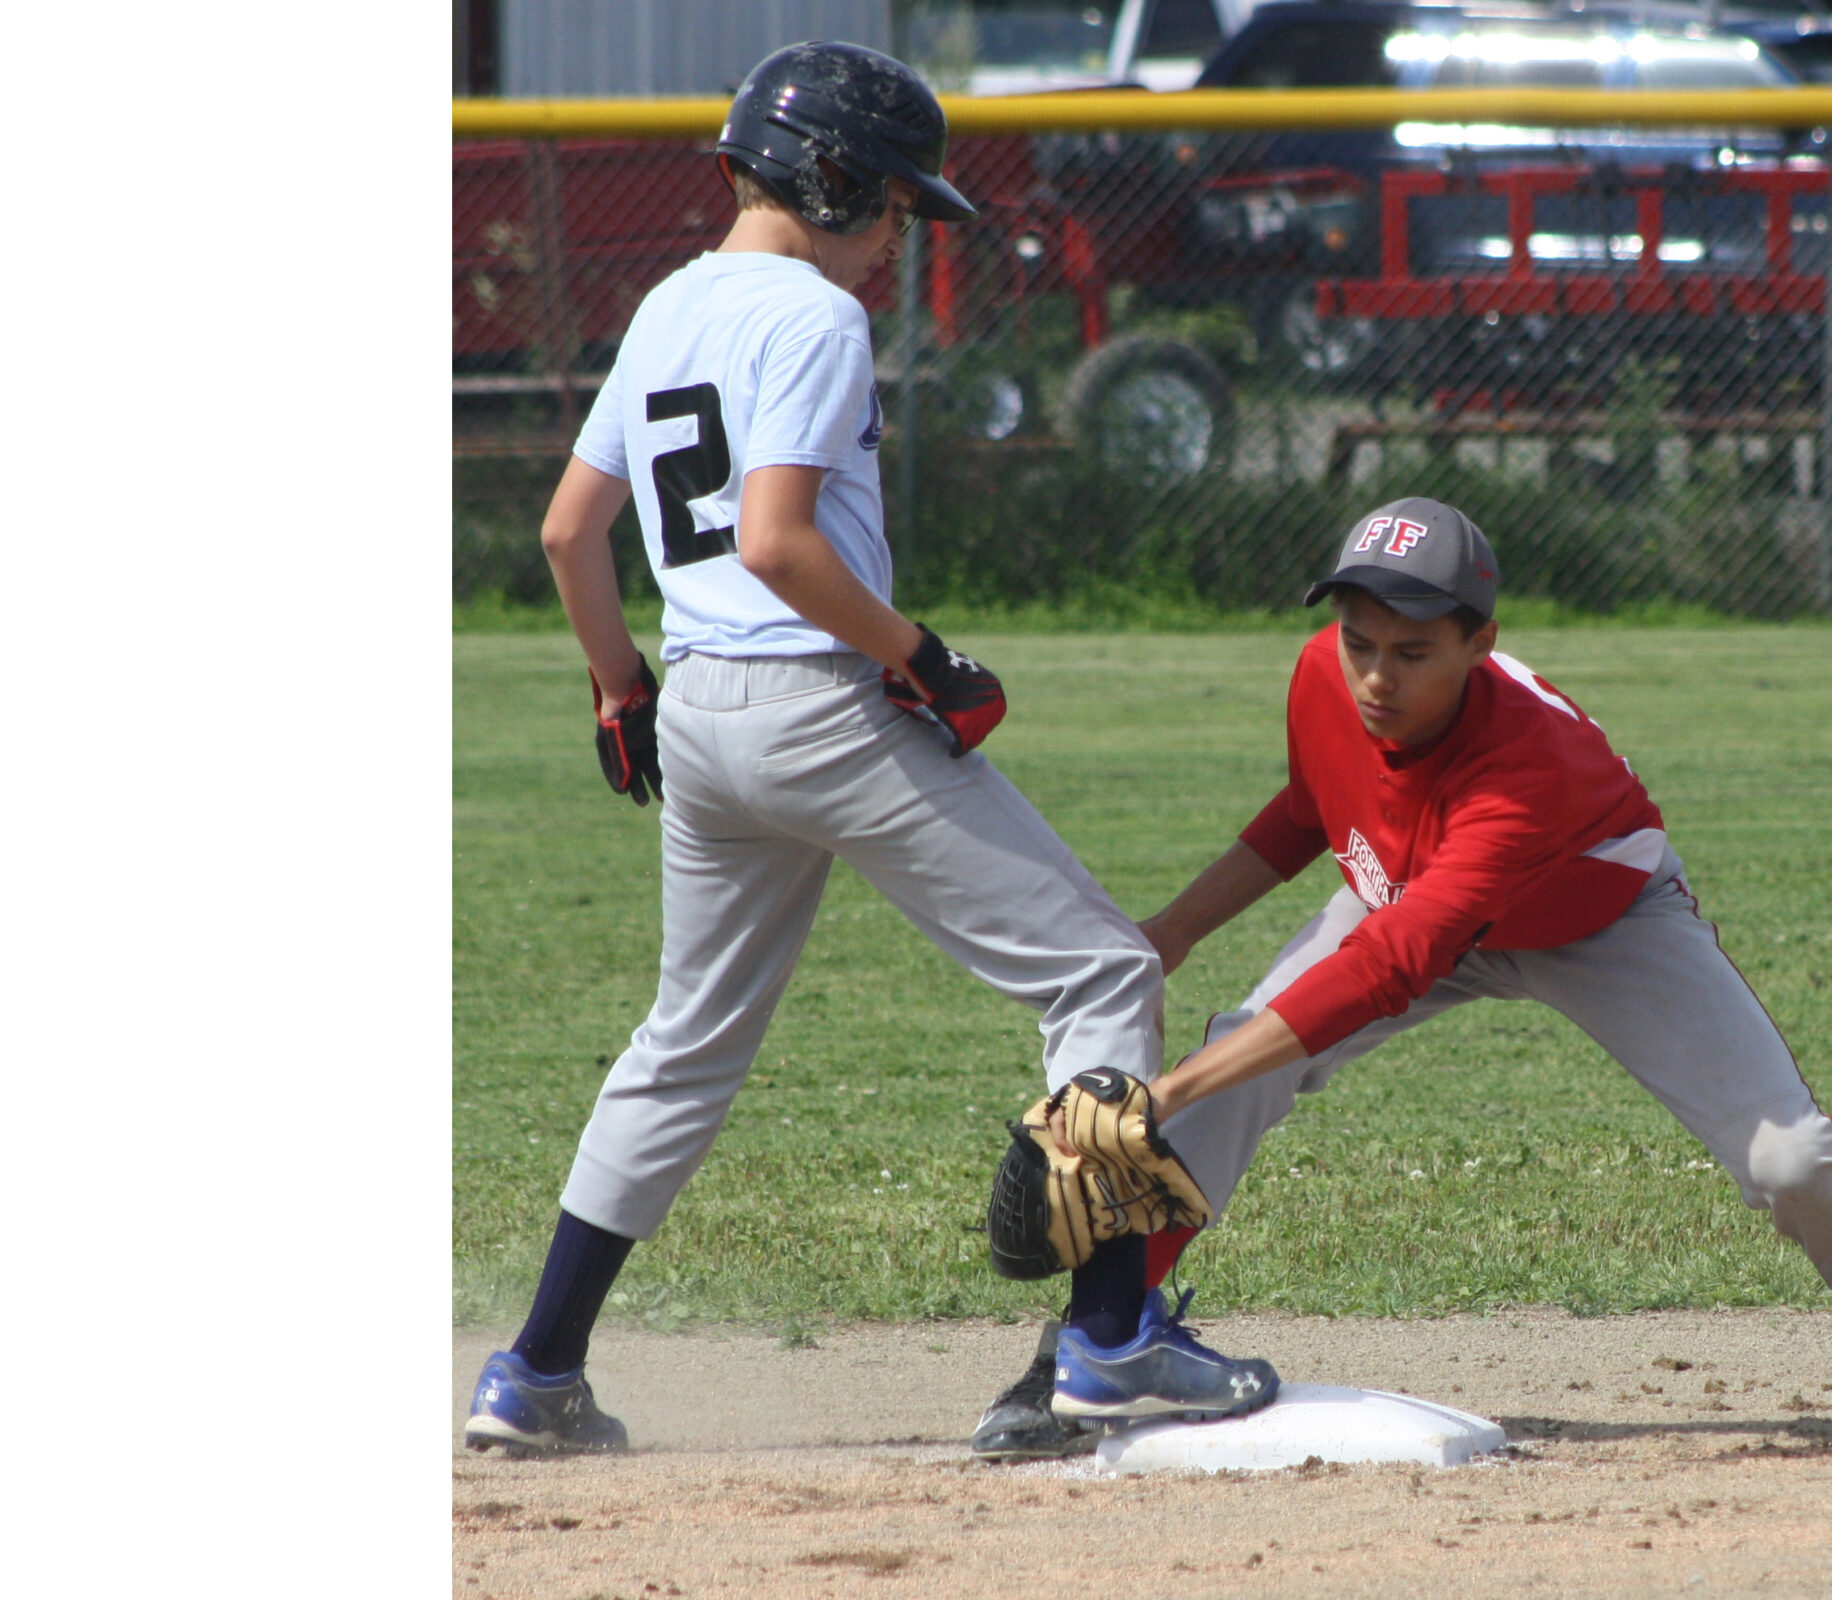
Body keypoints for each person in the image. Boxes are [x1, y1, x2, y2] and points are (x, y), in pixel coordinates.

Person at [462, 40, 1268, 1458]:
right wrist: (921, 654)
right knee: (1102, 971)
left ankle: (534, 1373)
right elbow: (776, 543)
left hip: (700, 713)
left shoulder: (665, 305)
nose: (900, 234)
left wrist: (618, 687)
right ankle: (1111, 1339)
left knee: (683, 1044)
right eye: (893, 202)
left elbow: (569, 530)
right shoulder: (818, 317)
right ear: (827, 180)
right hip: (818, 698)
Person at [975, 497, 1832, 1454]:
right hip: (1415, 892)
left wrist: (1162, 1091)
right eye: (1360, 640)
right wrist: (1173, 928)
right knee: (1243, 1059)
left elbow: (1393, 965)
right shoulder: (1324, 672)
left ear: (1480, 642)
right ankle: (1100, 1338)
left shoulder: (1526, 767)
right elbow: (1315, 807)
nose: (1376, 674)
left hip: (1597, 917)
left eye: (1413, 651)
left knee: (1790, 1161)